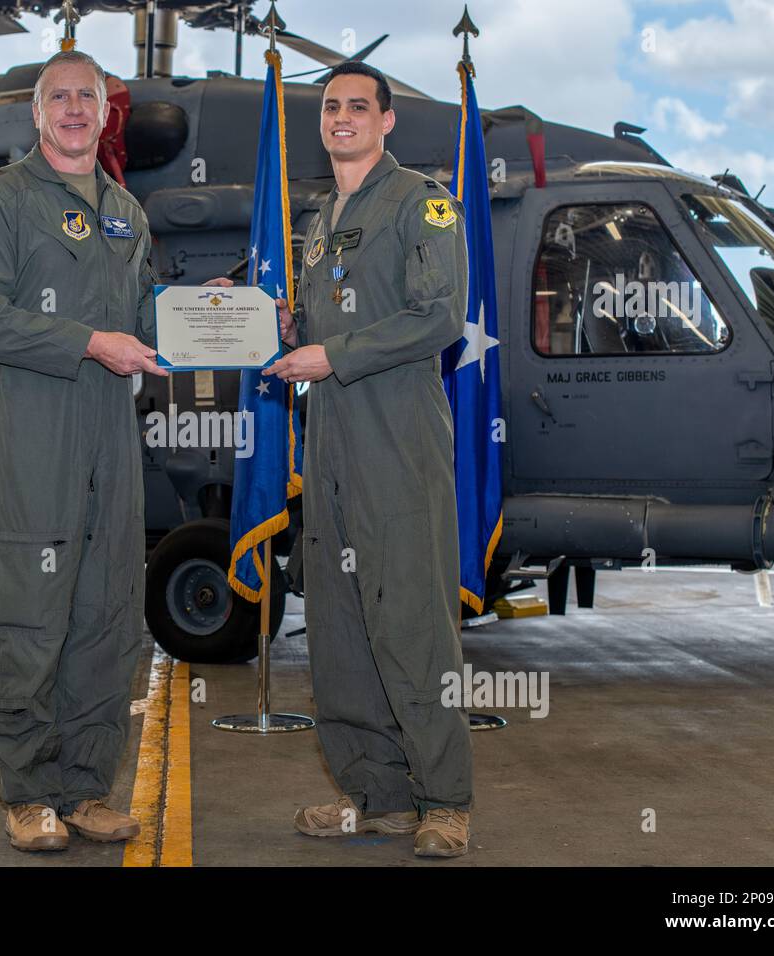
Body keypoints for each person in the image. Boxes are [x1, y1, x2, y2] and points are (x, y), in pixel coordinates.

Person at [0, 49, 165, 852]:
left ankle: (85, 789)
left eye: (91, 97)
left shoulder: (126, 212)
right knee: (29, 619)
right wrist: (87, 342)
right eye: (60, 97)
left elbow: (140, 313)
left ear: (108, 112)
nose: (77, 108)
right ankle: (28, 793)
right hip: (30, 439)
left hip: (110, 436)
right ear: (37, 113)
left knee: (105, 617)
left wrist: (201, 310)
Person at [265, 61, 474, 857]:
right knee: (342, 631)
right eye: (330, 107)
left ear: (387, 121)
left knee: (413, 623)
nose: (341, 117)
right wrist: (291, 330)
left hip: (397, 440)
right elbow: (332, 321)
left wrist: (332, 355)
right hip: (333, 446)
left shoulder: (421, 201)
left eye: (358, 106)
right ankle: (376, 794)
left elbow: (438, 318)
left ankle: (445, 800)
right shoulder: (324, 215)